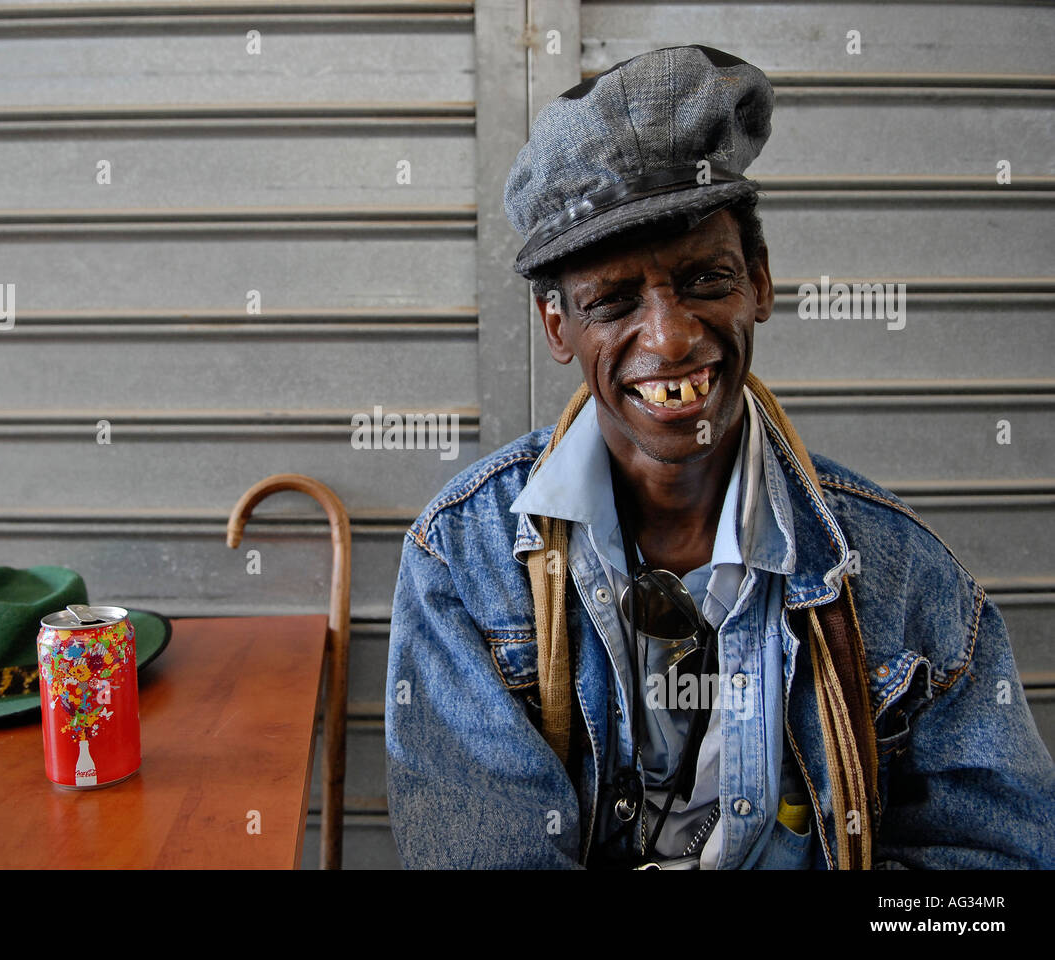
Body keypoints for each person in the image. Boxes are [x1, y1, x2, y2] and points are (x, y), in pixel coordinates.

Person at [384, 45, 1055, 869]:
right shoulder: (465, 561)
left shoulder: (902, 576)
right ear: (559, 326)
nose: (669, 338)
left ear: (760, 284)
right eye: (614, 300)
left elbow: (995, 871)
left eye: (705, 279)